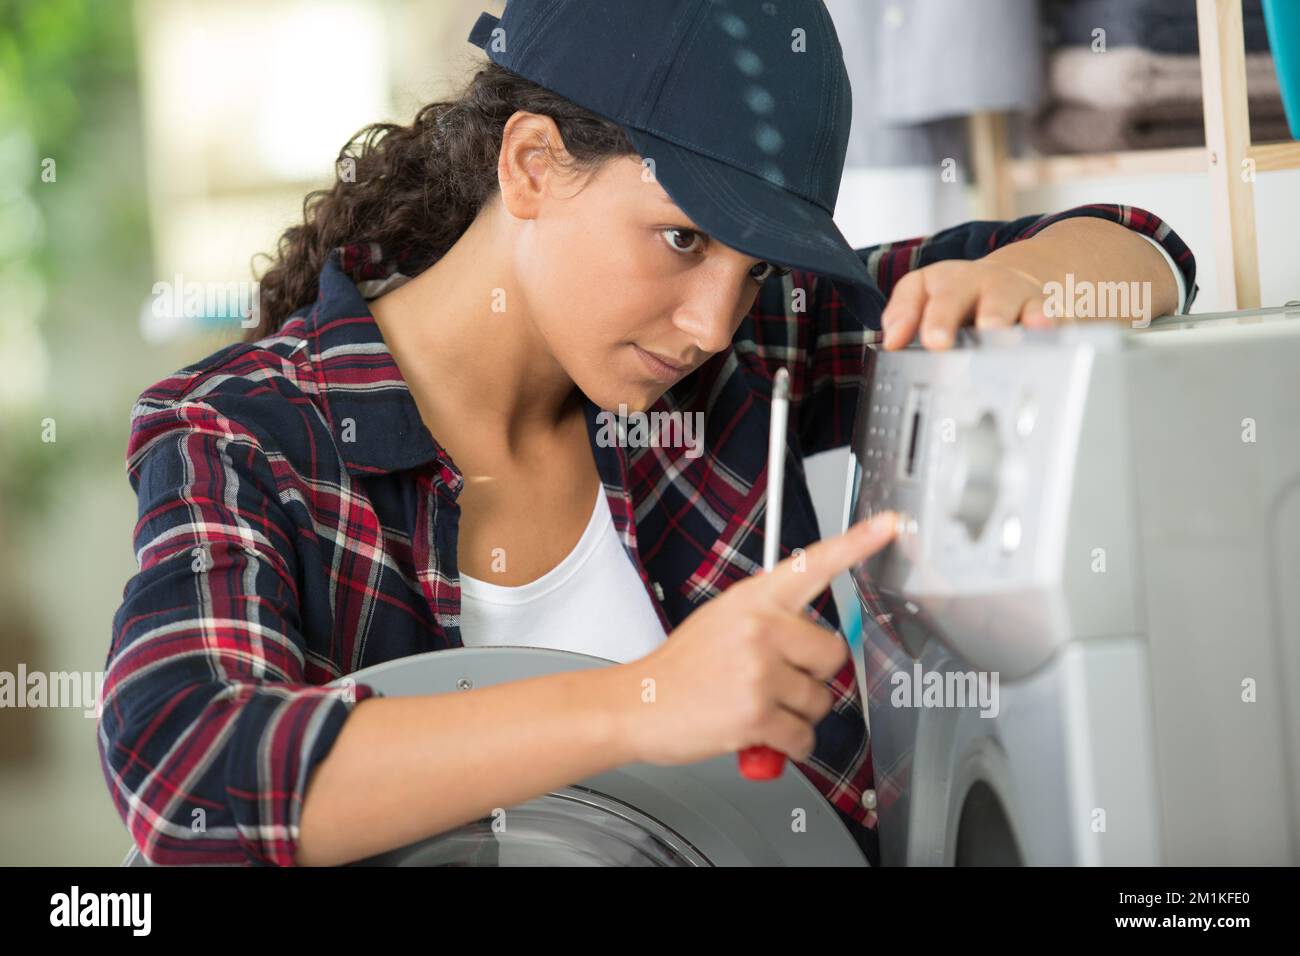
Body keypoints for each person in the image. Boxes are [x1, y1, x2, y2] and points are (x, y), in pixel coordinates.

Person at [99, 0, 1195, 867]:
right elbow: (184, 773)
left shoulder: (744, 353)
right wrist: (648, 699)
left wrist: (1012, 281)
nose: (712, 316)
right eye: (680, 237)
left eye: (753, 265)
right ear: (530, 163)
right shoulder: (242, 436)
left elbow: (1140, 246)